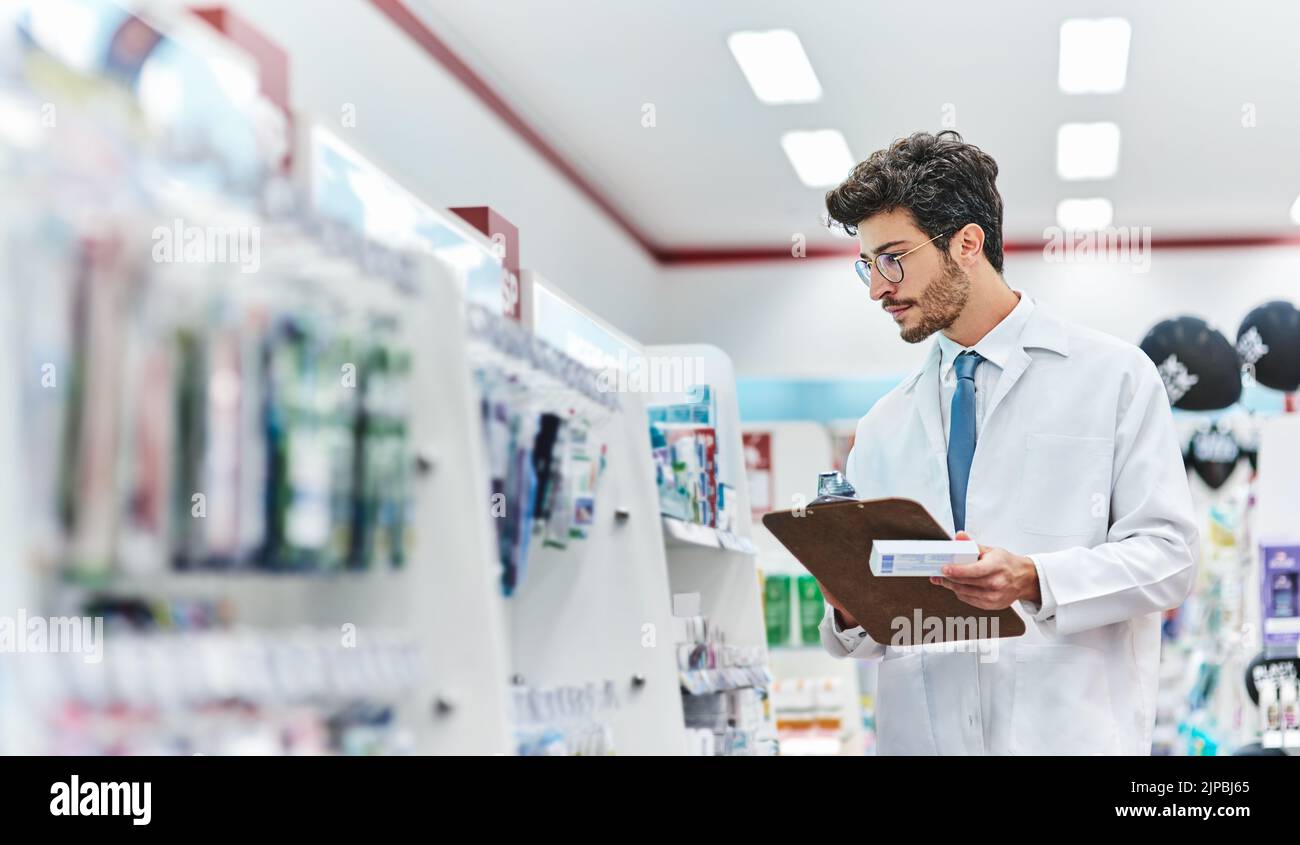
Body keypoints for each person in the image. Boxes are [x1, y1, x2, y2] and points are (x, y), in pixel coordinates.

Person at [818, 130, 1197, 755]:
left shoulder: (1113, 376)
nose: (876, 288)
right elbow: (871, 634)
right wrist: (850, 604)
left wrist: (1033, 577)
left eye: (892, 259)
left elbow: (1170, 558)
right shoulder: (884, 425)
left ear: (968, 243)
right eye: (867, 264)